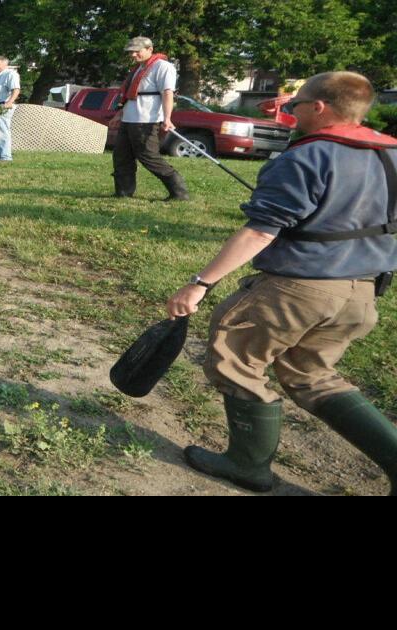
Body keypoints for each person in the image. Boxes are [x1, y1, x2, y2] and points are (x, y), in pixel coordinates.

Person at [166, 71, 397, 495]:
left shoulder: (305, 157)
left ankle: (247, 465)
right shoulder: (392, 154)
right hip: (363, 292)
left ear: (319, 107)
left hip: (299, 287)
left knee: (235, 357)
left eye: (295, 105)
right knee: (312, 373)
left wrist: (200, 283)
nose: (291, 112)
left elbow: (260, 232)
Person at [112, 36, 189, 201]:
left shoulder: (163, 67)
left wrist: (167, 118)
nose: (133, 55)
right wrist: (119, 114)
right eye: (131, 52)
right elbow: (128, 95)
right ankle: (123, 193)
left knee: (148, 157)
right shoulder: (138, 69)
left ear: (149, 49)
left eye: (137, 51)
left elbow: (167, 93)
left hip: (146, 120)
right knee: (121, 156)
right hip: (128, 120)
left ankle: (179, 193)